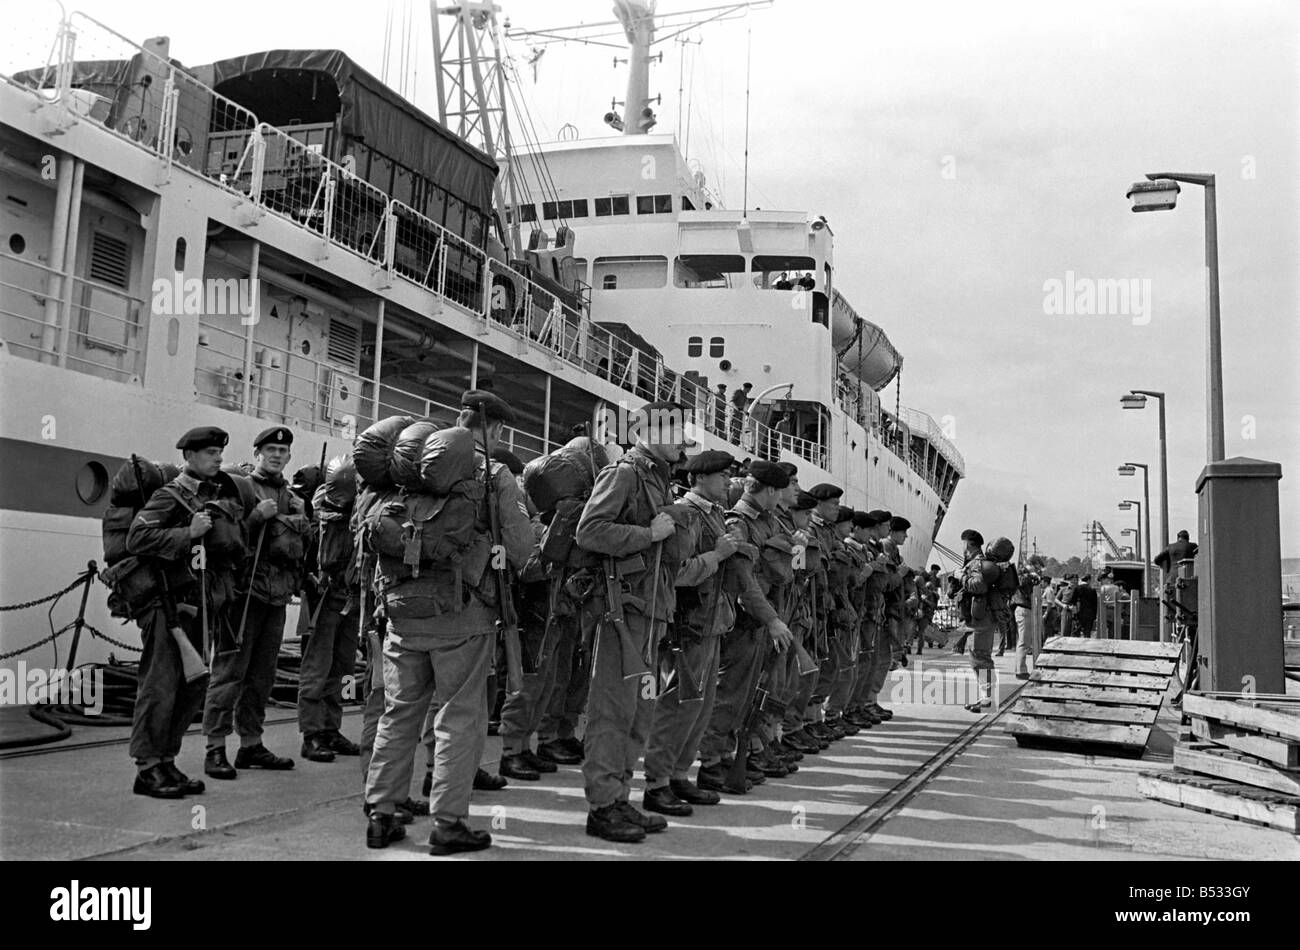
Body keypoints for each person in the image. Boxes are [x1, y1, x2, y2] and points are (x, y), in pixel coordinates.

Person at [364, 391, 534, 855]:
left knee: (399, 714)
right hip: (463, 617)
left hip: (402, 613)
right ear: (496, 429)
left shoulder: (410, 468)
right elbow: (521, 548)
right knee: (459, 718)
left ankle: (382, 815)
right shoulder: (494, 474)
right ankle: (449, 823)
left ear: (458, 419)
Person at [575, 401, 693, 842]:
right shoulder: (623, 474)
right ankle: (602, 807)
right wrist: (649, 534)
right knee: (612, 712)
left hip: (651, 613)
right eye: (675, 430)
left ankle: (620, 798)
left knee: (639, 713)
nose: (682, 439)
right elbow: (589, 532)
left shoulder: (659, 480)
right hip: (621, 614)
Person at [125, 426, 242, 798]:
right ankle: (146, 767)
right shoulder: (170, 495)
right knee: (160, 686)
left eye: (219, 453)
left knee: (190, 690)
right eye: (209, 453)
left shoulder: (211, 497)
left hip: (199, 607)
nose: (218, 459)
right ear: (189, 457)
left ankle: (166, 759)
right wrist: (188, 533)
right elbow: (136, 539)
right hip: (168, 608)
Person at [203, 426, 310, 780]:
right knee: (229, 672)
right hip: (243, 596)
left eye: (283, 450)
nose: (277, 455)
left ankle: (251, 744)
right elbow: (223, 541)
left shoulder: (294, 499)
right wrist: (254, 518)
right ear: (258, 452)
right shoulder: (240, 487)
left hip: (276, 598)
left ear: (289, 456)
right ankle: (215, 748)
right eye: (270, 449)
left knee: (262, 676)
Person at [642, 449, 742, 815]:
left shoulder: (715, 515)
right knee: (677, 705)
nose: (729, 482)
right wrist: (716, 556)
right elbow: (677, 572)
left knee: (701, 706)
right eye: (722, 476)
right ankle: (656, 782)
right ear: (700, 478)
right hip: (688, 624)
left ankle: (679, 774)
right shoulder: (685, 514)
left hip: (712, 621)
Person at [697, 460, 795, 793]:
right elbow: (745, 580)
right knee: (729, 695)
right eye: (777, 492)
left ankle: (727, 757)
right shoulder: (738, 523)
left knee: (748, 697)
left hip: (761, 623)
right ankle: (711, 761)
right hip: (743, 622)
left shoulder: (769, 522)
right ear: (767, 491)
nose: (779, 498)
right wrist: (771, 619)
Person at [298, 456, 362, 762]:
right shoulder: (319, 513)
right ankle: (311, 734)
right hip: (323, 596)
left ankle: (331, 728)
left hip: (349, 598)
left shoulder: (358, 510)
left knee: (344, 669)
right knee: (316, 668)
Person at [950, 530, 983, 654]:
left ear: (968, 544)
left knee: (980, 660)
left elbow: (978, 585)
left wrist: (961, 577)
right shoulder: (971, 562)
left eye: (963, 543)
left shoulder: (977, 563)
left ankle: (986, 675)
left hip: (977, 618)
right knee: (978, 660)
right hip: (973, 617)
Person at [1012, 569, 1042, 679]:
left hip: (1024, 610)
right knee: (1024, 642)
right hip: (1024, 610)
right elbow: (1025, 580)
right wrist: (1030, 575)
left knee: (1024, 642)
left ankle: (1020, 669)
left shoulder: (1022, 581)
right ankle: (1021, 671)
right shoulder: (1021, 580)